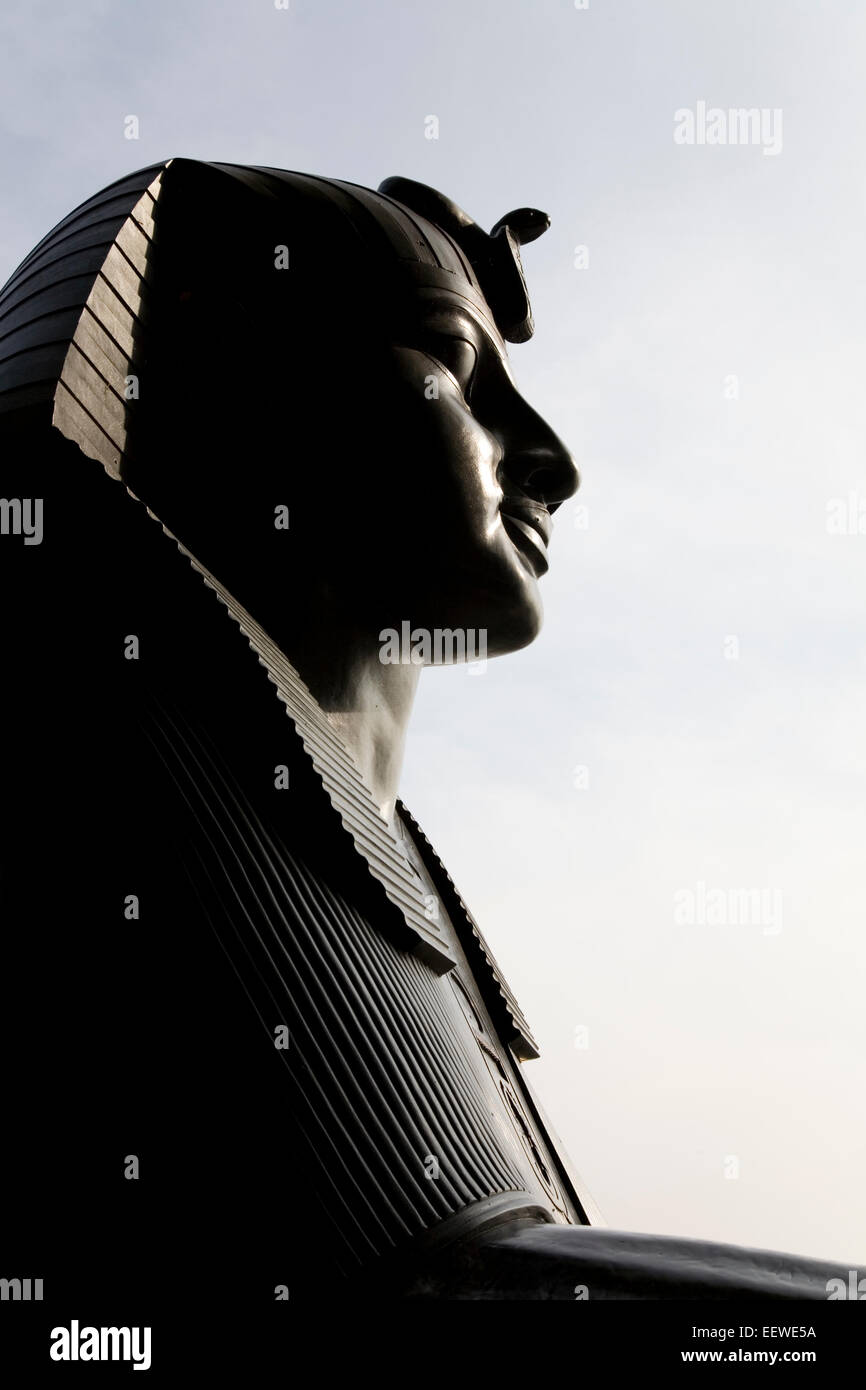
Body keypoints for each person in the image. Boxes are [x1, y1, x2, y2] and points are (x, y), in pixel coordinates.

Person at [0, 160, 846, 1302]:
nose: (552, 459)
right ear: (229, 362)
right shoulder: (104, 765)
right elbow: (438, 1301)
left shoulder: (376, 846)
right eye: (453, 361)